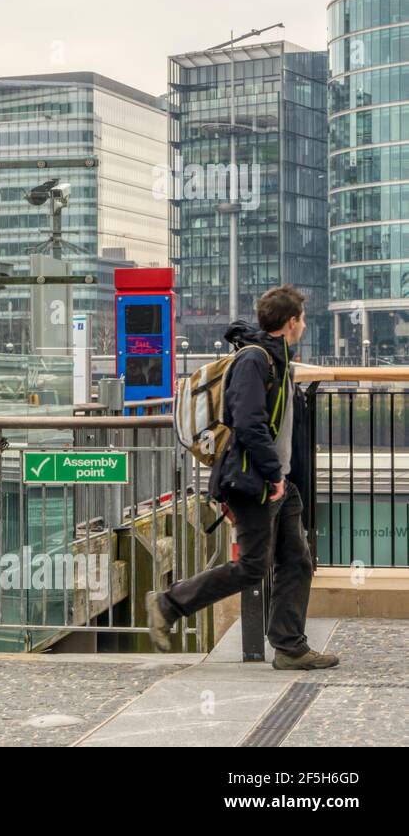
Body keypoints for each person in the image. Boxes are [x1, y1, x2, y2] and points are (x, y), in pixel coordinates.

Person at [148, 286, 338, 670]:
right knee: (253, 565)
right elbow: (248, 423)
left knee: (297, 561)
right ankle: (168, 603)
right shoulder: (255, 360)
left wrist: (283, 475)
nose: (303, 324)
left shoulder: (276, 358)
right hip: (255, 482)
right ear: (291, 322)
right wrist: (273, 475)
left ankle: (289, 646)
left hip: (277, 481)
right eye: (301, 318)